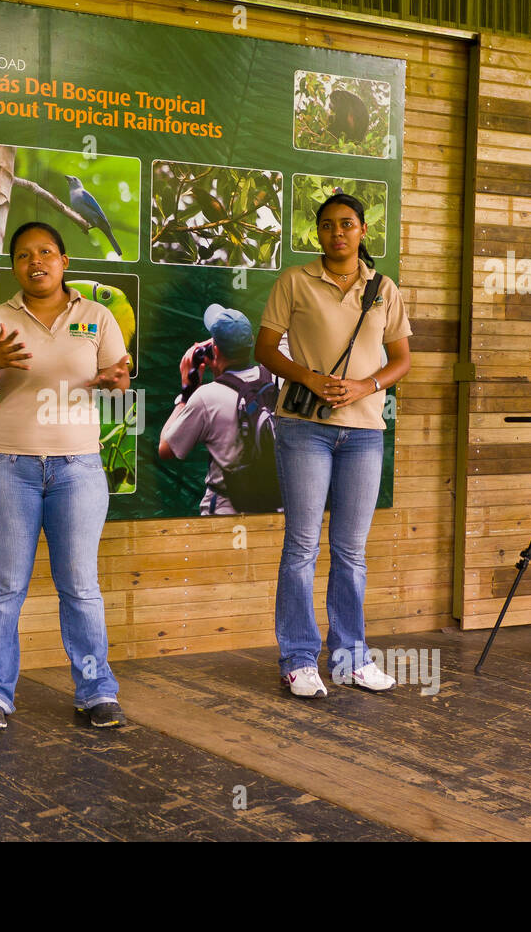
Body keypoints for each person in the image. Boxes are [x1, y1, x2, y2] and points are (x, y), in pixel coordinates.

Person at [0, 222, 130, 730]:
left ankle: (96, 691)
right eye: (23, 256)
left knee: (80, 586)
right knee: (4, 585)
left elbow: (120, 386)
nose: (35, 262)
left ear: (63, 260)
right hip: (7, 467)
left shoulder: (97, 315)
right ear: (14, 266)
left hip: (78, 468)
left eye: (46, 253)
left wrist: (114, 382)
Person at [254, 193, 412, 698]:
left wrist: (367, 386)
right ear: (317, 233)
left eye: (346, 224)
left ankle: (350, 659)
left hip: (364, 431)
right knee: (301, 545)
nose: (336, 233)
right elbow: (264, 348)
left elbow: (402, 358)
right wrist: (310, 378)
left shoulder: (384, 289)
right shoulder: (294, 282)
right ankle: (299, 660)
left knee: (351, 550)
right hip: (305, 426)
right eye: (326, 225)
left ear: (363, 230)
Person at [159, 304, 278, 515]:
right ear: (251, 342)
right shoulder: (273, 380)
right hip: (274, 508)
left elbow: (166, 449)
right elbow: (238, 390)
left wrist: (186, 393)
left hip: (226, 512)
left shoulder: (206, 397)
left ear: (215, 349)